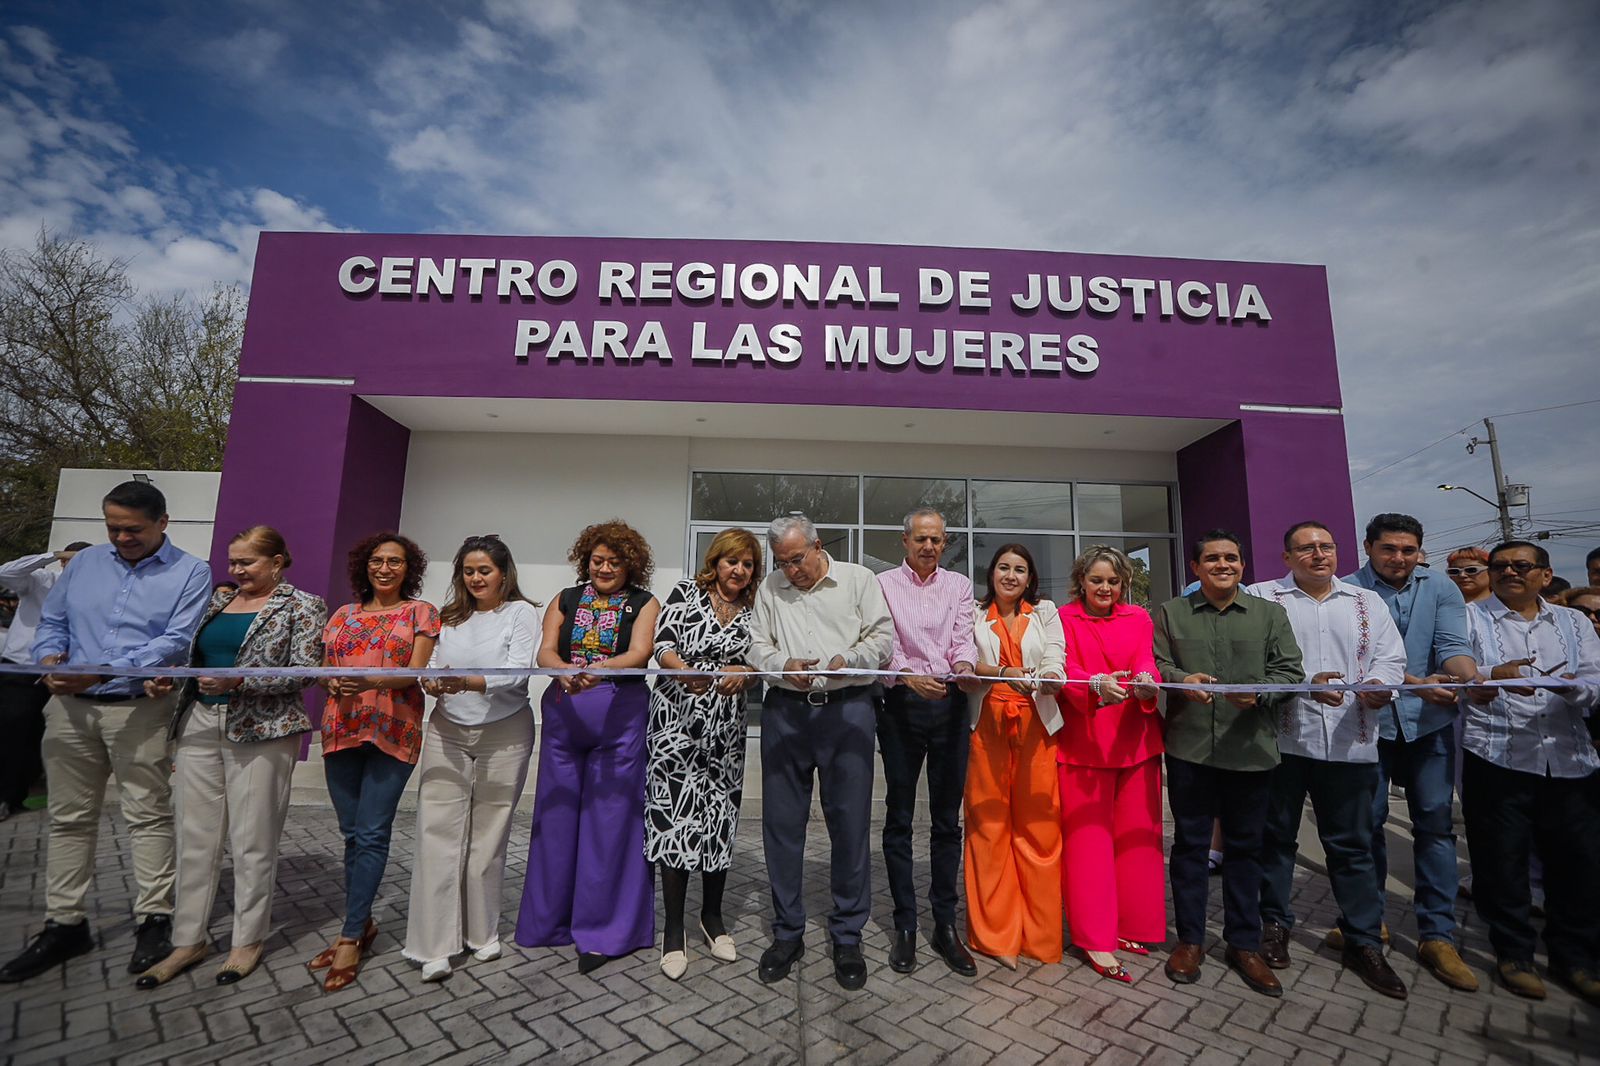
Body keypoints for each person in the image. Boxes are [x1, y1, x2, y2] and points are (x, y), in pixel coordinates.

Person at [0, 482, 210, 984]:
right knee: (70, 819)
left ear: (163, 522)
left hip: (136, 710)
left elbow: (175, 640)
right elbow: (53, 623)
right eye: (113, 527)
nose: (122, 537)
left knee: (147, 815)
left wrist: (101, 670)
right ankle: (64, 924)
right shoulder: (87, 563)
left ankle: (153, 921)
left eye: (133, 529)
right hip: (68, 709)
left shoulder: (190, 572)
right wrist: (50, 660)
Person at [135, 527, 326, 988]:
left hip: (263, 730)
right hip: (200, 723)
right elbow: (196, 657)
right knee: (195, 836)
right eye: (233, 562)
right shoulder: (217, 602)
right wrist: (171, 677)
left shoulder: (304, 604)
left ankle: (247, 940)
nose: (236, 571)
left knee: (252, 839)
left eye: (247, 563)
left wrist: (241, 682)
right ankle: (188, 940)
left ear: (277, 561)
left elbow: (305, 673)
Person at [1247, 521, 1409, 1000]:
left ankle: (1362, 939)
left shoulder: (1365, 602)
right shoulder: (1262, 598)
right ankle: (1274, 925)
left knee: (1353, 845)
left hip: (1348, 742)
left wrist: (1382, 688)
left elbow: (1390, 659)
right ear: (1286, 557)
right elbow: (1247, 661)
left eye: (1326, 546)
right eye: (1306, 548)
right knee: (1275, 839)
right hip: (1281, 743)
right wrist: (1301, 685)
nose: (1319, 555)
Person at [747, 514, 894, 991]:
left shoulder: (859, 579)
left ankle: (847, 935)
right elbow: (756, 645)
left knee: (850, 827)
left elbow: (883, 639)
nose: (792, 571)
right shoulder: (770, 588)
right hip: (786, 713)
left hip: (848, 709)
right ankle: (787, 932)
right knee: (782, 827)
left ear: (816, 546)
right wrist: (779, 665)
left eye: (797, 559)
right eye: (783, 563)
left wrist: (848, 659)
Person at [1154, 529, 1302, 998]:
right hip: (1189, 749)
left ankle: (1244, 944)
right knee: (1190, 849)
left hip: (1251, 752)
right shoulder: (1171, 613)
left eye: (1232, 558)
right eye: (1213, 558)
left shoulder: (1269, 614)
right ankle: (1191, 940)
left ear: (1243, 566)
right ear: (1195, 568)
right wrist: (1180, 679)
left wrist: (1260, 692)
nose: (1224, 565)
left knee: (1246, 851)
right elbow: (1155, 666)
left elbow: (1291, 673)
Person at [517, 520, 661, 974]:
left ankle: (603, 932)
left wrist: (602, 667)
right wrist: (560, 669)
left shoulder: (644, 603)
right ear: (586, 561)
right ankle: (550, 923)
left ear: (630, 565)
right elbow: (545, 651)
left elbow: (640, 653)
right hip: (563, 715)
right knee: (555, 820)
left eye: (614, 562)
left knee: (610, 823)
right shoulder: (565, 599)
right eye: (598, 560)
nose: (604, 568)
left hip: (619, 719)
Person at [1343, 514, 1479, 991]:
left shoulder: (1440, 587)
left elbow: (1453, 647)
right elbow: (1353, 662)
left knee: (1436, 828)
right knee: (1367, 825)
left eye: (1408, 550)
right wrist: (1416, 685)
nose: (1398, 559)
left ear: (1420, 550)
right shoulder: (1347, 592)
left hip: (1430, 726)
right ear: (1368, 547)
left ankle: (1437, 936)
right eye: (1389, 549)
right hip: (1370, 728)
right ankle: (1368, 922)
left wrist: (1471, 679)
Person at [1460, 541, 1600, 1004]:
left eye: (1522, 566)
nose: (1509, 573)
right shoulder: (1469, 618)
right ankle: (1513, 952)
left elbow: (1596, 679)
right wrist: (1488, 675)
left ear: (1545, 573)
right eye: (1499, 566)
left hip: (1568, 757)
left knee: (1576, 862)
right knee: (1501, 861)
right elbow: (1456, 672)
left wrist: (1571, 689)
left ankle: (1574, 956)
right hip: (1498, 754)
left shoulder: (1573, 621)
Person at [404, 535, 538, 982]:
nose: (476, 578)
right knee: (437, 831)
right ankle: (433, 945)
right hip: (446, 728)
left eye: (485, 570)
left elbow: (519, 669)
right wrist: (433, 683)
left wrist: (471, 682)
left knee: (489, 835)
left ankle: (482, 933)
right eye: (468, 571)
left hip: (506, 730)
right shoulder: (447, 618)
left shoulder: (520, 613)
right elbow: (431, 665)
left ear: (504, 573)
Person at [313, 532, 438, 993]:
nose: (385, 568)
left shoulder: (420, 613)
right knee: (350, 834)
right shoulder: (343, 615)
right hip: (341, 727)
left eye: (396, 562)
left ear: (410, 568)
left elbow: (416, 673)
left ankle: (348, 937)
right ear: (365, 566)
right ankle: (360, 923)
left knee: (371, 832)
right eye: (378, 561)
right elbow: (326, 669)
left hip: (392, 728)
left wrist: (366, 678)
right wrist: (333, 685)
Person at [647, 528, 762, 980]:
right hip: (675, 725)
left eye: (748, 564)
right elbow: (663, 646)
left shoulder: (757, 608)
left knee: (717, 820)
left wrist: (747, 673)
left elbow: (762, 662)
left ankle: (711, 918)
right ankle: (673, 930)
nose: (739, 570)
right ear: (715, 562)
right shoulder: (685, 591)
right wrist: (685, 670)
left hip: (726, 731)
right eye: (732, 561)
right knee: (674, 820)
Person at [875, 508, 979, 977]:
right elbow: (883, 643)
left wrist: (963, 669)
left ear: (945, 542)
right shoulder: (882, 586)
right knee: (898, 818)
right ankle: (905, 926)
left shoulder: (958, 586)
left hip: (950, 706)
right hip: (900, 706)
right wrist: (907, 675)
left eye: (937, 540)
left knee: (945, 822)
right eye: (921, 539)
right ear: (904, 540)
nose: (929, 547)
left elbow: (963, 641)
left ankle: (943, 924)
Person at [1056, 545, 1165, 984]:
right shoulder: (1062, 618)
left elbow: (1146, 662)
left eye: (1113, 581)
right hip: (1086, 741)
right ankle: (1095, 937)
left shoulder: (1139, 618)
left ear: (1125, 584)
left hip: (1135, 739)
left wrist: (1146, 684)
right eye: (1097, 579)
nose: (1105, 588)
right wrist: (1096, 684)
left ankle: (1132, 925)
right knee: (1088, 844)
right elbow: (1065, 667)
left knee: (1138, 841)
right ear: (1081, 579)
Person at [963, 543, 1066, 969]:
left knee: (1039, 829)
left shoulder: (1045, 612)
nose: (1010, 575)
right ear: (991, 574)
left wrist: (1051, 677)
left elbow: (1056, 655)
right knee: (988, 828)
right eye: (1003, 568)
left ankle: (1040, 936)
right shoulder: (972, 613)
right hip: (986, 725)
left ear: (1030, 577)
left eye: (1019, 569)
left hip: (1038, 725)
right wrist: (1003, 674)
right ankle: (995, 937)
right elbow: (965, 660)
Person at [0, 541, 90, 820]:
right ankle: (3, 797)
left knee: (41, 739)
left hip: (61, 675)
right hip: (21, 670)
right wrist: (52, 555)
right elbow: (5, 572)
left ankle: (18, 795)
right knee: (10, 736)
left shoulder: (92, 592)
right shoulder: (40, 580)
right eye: (70, 561)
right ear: (63, 562)